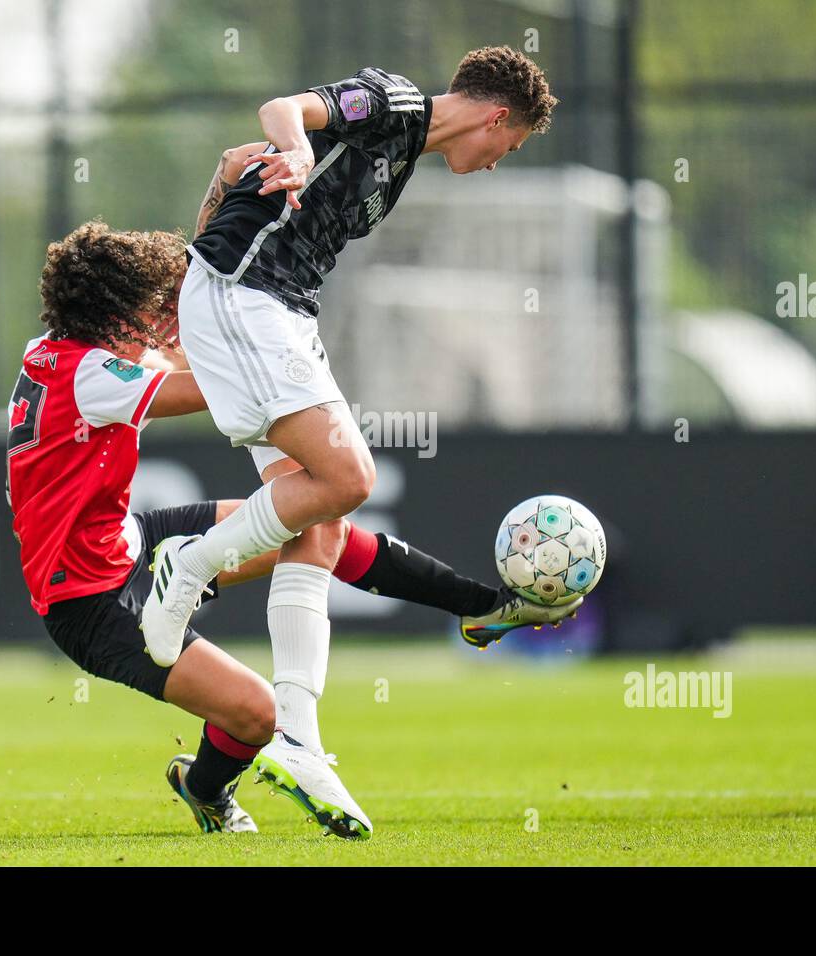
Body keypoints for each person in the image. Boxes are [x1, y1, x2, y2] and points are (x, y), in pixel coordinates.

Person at [11, 221, 577, 836]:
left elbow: (159, 362)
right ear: (115, 315)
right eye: (148, 312)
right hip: (89, 601)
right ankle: (204, 790)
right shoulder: (92, 375)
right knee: (257, 715)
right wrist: (271, 355)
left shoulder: (59, 352)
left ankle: (481, 607)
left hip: (129, 541)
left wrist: (200, 330)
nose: (157, 326)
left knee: (318, 522)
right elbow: (208, 389)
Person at [147, 46, 566, 839]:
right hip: (248, 296)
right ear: (496, 116)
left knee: (322, 526)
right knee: (349, 478)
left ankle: (299, 737)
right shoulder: (400, 103)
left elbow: (243, 159)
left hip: (281, 310)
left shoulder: (406, 152)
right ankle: (192, 562)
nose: (491, 166)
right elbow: (284, 108)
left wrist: (245, 173)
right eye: (503, 152)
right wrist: (296, 145)